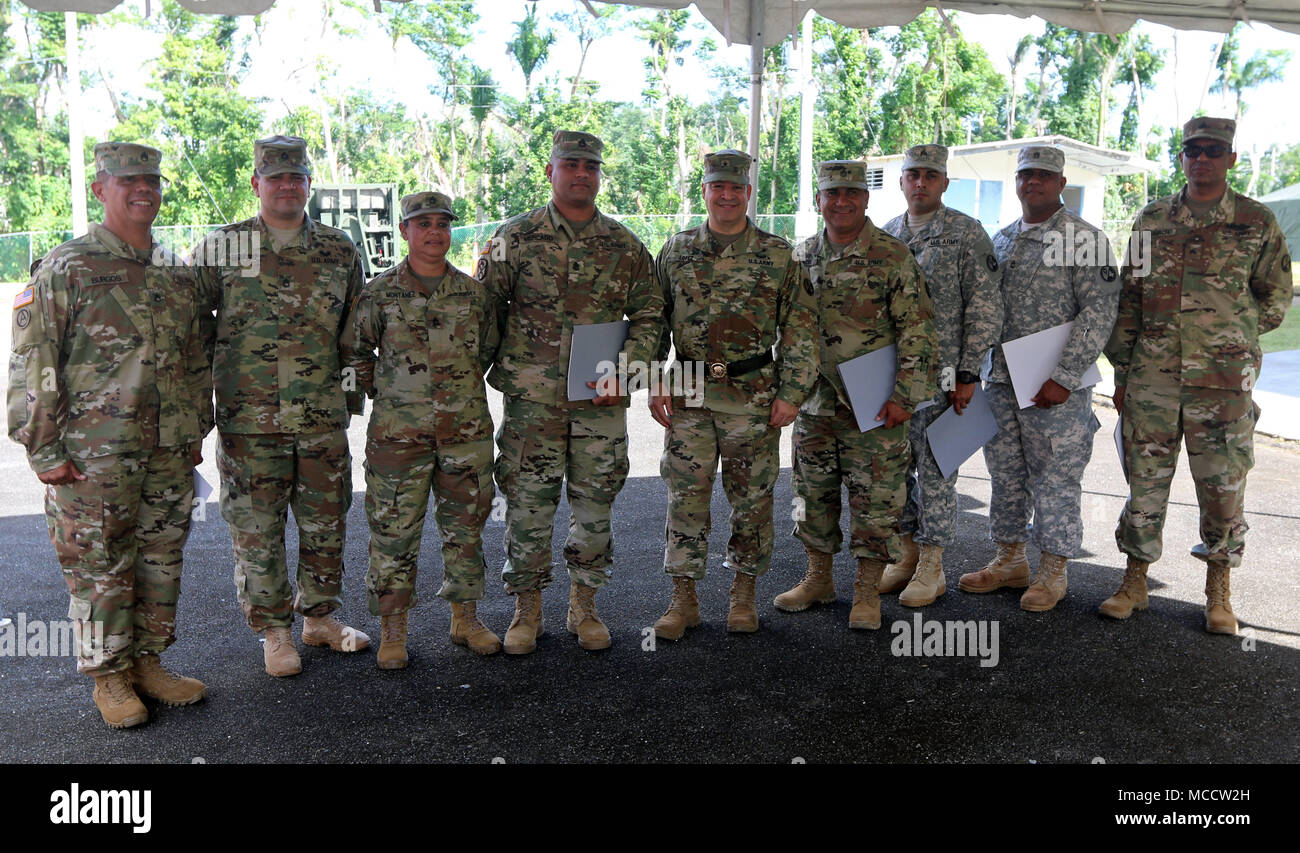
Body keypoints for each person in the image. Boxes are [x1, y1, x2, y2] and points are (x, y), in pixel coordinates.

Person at [8, 141, 211, 728]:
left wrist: (195, 428)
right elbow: (33, 362)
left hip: (167, 448)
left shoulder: (176, 270)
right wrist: (42, 446)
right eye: (129, 181)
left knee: (160, 559)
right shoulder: (67, 266)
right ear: (101, 189)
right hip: (94, 451)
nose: (143, 189)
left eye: (152, 180)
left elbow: (195, 357)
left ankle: (147, 663)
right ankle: (109, 676)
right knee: (100, 563)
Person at [1102, 117, 1292, 634]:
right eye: (1193, 149)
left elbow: (1275, 297)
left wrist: (1230, 336)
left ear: (1231, 158)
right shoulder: (1152, 219)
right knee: (1144, 483)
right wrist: (1123, 373)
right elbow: (1130, 297)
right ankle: (1134, 582)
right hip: (1154, 378)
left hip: (1223, 382)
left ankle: (1218, 591)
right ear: (1182, 157)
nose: (1202, 158)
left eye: (1213, 150)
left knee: (1222, 487)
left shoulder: (1255, 221)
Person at [476, 130, 663, 654]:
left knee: (595, 504)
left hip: (599, 402)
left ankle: (584, 605)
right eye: (571, 164)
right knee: (527, 507)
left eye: (591, 166)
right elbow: (482, 311)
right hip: (532, 403)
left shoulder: (624, 245)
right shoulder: (514, 237)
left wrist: (626, 372)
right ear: (551, 170)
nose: (582, 173)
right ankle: (527, 608)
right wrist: (467, 380)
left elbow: (651, 315)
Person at [191, 135, 370, 677]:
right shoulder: (222, 247)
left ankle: (319, 619)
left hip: (320, 418)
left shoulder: (339, 249)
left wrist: (349, 403)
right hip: (250, 422)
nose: (288, 186)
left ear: (309, 184)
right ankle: (274, 632)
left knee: (326, 522)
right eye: (277, 177)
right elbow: (191, 333)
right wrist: (199, 416)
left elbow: (354, 333)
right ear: (257, 183)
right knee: (257, 530)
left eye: (297, 177)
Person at [650, 149, 818, 639]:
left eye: (735, 188)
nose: (726, 196)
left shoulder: (778, 254)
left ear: (748, 192)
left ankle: (743, 594)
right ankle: (683, 599)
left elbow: (800, 328)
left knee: (752, 500)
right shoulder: (676, 249)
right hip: (689, 391)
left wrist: (792, 392)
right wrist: (654, 377)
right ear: (704, 191)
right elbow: (653, 319)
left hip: (753, 394)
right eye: (717, 187)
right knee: (686, 497)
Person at [773, 160, 936, 628]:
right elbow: (786, 329)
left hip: (875, 406)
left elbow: (918, 330)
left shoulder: (892, 255)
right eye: (832, 193)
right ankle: (818, 579)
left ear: (865, 199)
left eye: (851, 193)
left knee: (877, 502)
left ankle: (866, 592)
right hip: (815, 404)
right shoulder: (801, 256)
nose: (841, 202)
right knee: (811, 497)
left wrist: (905, 396)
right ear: (818, 200)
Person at [958, 145, 1119, 612]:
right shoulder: (1002, 239)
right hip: (1002, 380)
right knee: (1005, 473)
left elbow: (1100, 311)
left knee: (1055, 477)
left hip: (1054, 387)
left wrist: (1064, 376)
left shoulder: (1084, 239)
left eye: (1044, 176)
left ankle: (1053, 571)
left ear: (1061, 184)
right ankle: (1010, 560)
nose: (1033, 182)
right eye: (1026, 174)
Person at [345, 191, 502, 667]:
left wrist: (453, 391)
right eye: (423, 223)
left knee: (466, 529)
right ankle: (393, 630)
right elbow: (355, 353)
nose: (434, 232)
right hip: (398, 436)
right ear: (404, 230)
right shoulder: (378, 292)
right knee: (392, 532)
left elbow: (488, 349)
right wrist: (391, 392)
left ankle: (465, 619)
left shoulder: (474, 294)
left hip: (465, 432)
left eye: (442, 223)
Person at [879, 144, 1001, 607]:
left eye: (931, 175)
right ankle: (906, 553)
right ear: (902, 181)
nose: (921, 183)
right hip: (893, 378)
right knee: (894, 470)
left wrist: (969, 371)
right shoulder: (887, 235)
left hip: (945, 376)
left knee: (937, 470)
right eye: (913, 174)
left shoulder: (966, 233)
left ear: (945, 183)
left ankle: (933, 565)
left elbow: (985, 307)